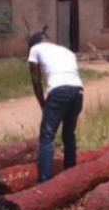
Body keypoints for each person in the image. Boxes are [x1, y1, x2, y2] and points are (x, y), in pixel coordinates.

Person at [27, 31, 84, 183]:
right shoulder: (67, 51)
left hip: (58, 91)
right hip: (78, 91)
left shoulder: (35, 49)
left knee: (47, 136)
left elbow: (36, 80)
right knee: (68, 134)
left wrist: (42, 104)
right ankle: (71, 173)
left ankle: (45, 180)